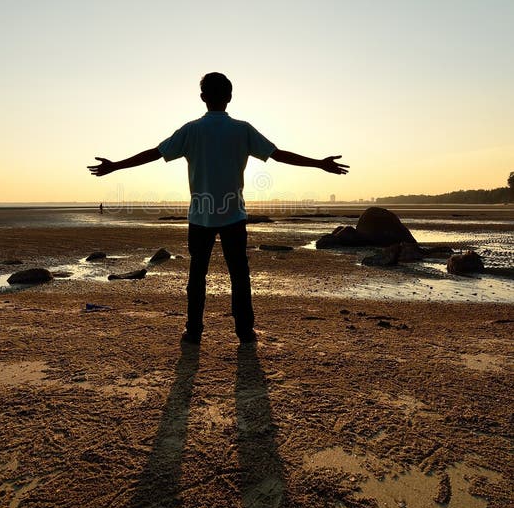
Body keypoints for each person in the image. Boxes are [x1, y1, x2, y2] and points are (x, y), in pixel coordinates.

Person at [88, 72, 348, 346]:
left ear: (203, 98)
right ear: (230, 97)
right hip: (234, 216)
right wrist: (319, 163)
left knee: (197, 276)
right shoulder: (242, 129)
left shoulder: (191, 130)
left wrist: (115, 165)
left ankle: (194, 332)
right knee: (239, 276)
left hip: (200, 217)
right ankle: (245, 332)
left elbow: (154, 153)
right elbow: (278, 154)